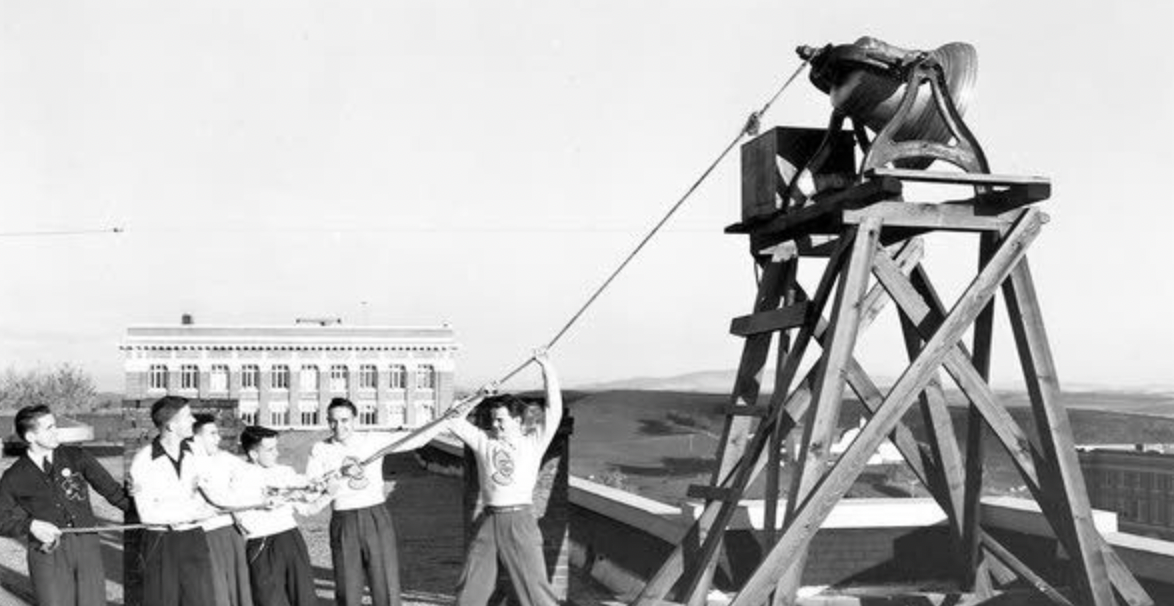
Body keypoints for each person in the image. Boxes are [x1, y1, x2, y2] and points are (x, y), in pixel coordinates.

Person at [420, 350, 563, 606]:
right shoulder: (484, 442)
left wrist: (547, 368)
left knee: (535, 593)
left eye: (501, 420)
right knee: (470, 590)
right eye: (493, 420)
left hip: (520, 521)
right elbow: (452, 419)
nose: (495, 425)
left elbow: (555, 411)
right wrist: (478, 397)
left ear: (518, 420)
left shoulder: (533, 443)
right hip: (489, 522)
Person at [0, 404, 131, 606]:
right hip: (46, 552)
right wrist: (30, 526)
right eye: (49, 428)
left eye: (55, 426)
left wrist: (148, 512)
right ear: (30, 437)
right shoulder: (13, 477)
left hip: (87, 545)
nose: (56, 432)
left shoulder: (77, 457)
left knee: (92, 602)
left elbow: (114, 493)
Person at [304, 398, 415, 606]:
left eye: (344, 420)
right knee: (347, 585)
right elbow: (312, 488)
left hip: (375, 516)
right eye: (333, 421)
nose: (339, 426)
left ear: (354, 419)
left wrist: (448, 420)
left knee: (385, 581)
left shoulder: (371, 440)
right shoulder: (320, 449)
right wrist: (332, 480)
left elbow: (413, 439)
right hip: (343, 519)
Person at [127, 395, 218, 605]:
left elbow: (211, 493)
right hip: (161, 542)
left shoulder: (196, 453)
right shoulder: (144, 460)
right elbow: (149, 515)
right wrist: (192, 512)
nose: (193, 421)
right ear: (170, 426)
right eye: (187, 416)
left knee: (202, 599)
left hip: (194, 538)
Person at [234, 425, 328, 606]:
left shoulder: (285, 472)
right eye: (269, 450)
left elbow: (307, 508)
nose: (276, 453)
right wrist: (265, 503)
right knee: (269, 599)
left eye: (276, 447)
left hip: (291, 538)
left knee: (305, 597)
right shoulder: (240, 476)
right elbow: (241, 518)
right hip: (262, 543)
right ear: (253, 454)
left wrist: (325, 492)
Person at [189, 413, 254, 606]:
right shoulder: (187, 462)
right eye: (212, 433)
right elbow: (215, 496)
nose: (218, 438)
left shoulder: (225, 458)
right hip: (204, 533)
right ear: (196, 437)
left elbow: (253, 476)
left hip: (230, 531)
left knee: (239, 587)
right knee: (217, 591)